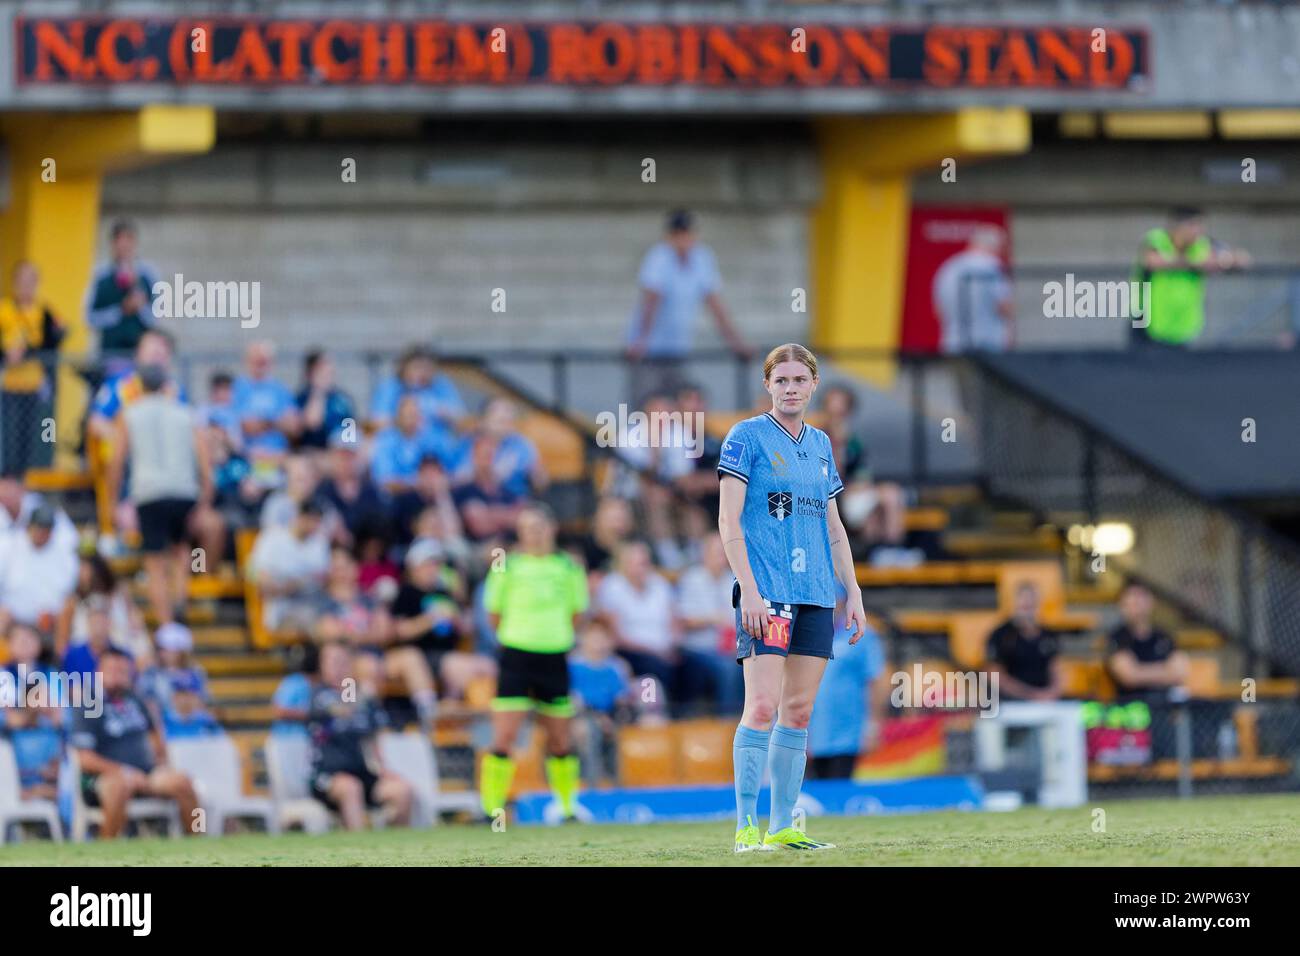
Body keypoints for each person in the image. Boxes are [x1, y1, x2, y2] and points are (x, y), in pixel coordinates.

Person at [717, 342, 867, 852]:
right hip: (769, 593)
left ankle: (782, 824)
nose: (790, 388)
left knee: (798, 712)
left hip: (815, 595)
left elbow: (835, 529)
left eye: (799, 380)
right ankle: (744, 826)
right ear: (768, 386)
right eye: (781, 380)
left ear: (813, 385)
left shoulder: (821, 444)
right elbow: (728, 520)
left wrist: (854, 592)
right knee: (760, 706)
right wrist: (750, 593)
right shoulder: (746, 438)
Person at [479, 504, 588, 822]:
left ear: (552, 529)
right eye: (529, 528)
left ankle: (567, 808)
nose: (535, 533)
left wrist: (554, 635)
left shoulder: (569, 567)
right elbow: (493, 613)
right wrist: (519, 636)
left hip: (554, 657)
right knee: (504, 737)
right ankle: (491, 809)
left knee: (560, 739)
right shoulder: (506, 567)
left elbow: (577, 612)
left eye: (540, 527)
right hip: (516, 656)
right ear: (521, 533)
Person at [108, 363, 218, 626]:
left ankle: (166, 624)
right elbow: (205, 463)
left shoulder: (130, 414)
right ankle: (180, 602)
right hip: (183, 491)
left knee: (155, 563)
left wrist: (111, 502)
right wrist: (204, 500)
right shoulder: (185, 413)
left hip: (150, 493)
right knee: (181, 553)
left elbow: (116, 462)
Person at [69, 647, 201, 839]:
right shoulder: (89, 704)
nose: (118, 676)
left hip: (146, 773)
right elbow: (85, 759)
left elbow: (156, 735)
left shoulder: (135, 699)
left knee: (185, 783)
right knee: (119, 787)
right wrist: (124, 772)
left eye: (123, 671)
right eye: (112, 671)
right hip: (103, 778)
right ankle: (106, 849)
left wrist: (161, 762)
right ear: (99, 673)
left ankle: (199, 835)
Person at [625, 209, 750, 398]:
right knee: (646, 406)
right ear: (670, 236)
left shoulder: (702, 258)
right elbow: (651, 301)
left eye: (687, 233)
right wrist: (641, 342)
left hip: (678, 350)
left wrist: (736, 343)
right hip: (650, 352)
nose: (683, 239)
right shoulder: (659, 257)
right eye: (679, 234)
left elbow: (715, 305)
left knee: (680, 406)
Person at [596, 539, 712, 714]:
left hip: (666, 649)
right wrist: (654, 651)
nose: (643, 567)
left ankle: (686, 717)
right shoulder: (613, 586)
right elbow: (615, 635)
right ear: (624, 564)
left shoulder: (660, 584)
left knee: (695, 666)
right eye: (638, 563)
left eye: (646, 562)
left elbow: (675, 620)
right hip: (632, 650)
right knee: (657, 668)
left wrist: (673, 645)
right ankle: (661, 716)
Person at [306, 641, 413, 830]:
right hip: (328, 777)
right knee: (351, 788)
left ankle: (398, 850)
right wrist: (364, 695)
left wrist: (383, 768)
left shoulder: (352, 691)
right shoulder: (319, 693)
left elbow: (373, 734)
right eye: (331, 661)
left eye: (341, 661)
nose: (337, 666)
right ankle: (358, 850)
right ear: (321, 665)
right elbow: (342, 710)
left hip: (363, 774)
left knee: (401, 790)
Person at [819, 385, 914, 567]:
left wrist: (861, 484)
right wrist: (837, 445)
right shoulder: (820, 437)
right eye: (834, 411)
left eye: (842, 411)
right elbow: (830, 477)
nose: (839, 416)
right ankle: (884, 551)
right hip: (833, 502)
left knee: (886, 500)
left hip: (854, 496)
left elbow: (862, 474)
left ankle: (886, 551)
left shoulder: (853, 440)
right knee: (888, 496)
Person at [390, 537, 495, 701]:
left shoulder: (444, 593)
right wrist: (432, 618)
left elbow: (466, 628)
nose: (433, 569)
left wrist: (458, 619)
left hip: (449, 653)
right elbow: (401, 631)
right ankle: (443, 711)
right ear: (414, 567)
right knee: (458, 666)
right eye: (428, 564)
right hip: (422, 654)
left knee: (488, 666)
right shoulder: (406, 593)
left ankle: (463, 713)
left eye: (437, 564)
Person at [1132, 207, 1251, 348]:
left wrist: (1223, 261)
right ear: (1178, 227)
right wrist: (1197, 263)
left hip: (1183, 327)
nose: (1198, 232)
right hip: (1147, 324)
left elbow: (1242, 260)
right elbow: (1153, 261)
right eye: (1193, 226)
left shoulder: (1202, 245)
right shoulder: (1157, 239)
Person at [807, 586, 888, 779]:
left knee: (842, 787)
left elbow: (876, 681)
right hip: (814, 731)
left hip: (847, 731)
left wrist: (873, 725)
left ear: (843, 602)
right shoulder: (809, 635)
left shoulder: (862, 635)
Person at [0, 260, 64, 475]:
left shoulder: (44, 312)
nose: (25, 286)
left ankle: (29, 482)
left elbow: (53, 340)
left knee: (34, 440)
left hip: (34, 385)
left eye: (30, 281)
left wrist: (26, 351)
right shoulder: (4, 310)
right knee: (9, 439)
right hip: (9, 385)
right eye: (21, 281)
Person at [676, 534, 744, 713]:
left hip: (730, 647)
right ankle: (727, 721)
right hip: (698, 648)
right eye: (717, 553)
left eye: (724, 553)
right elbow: (684, 620)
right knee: (728, 668)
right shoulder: (692, 578)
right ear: (705, 554)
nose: (722, 558)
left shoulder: (733, 579)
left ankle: (748, 720)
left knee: (751, 662)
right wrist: (712, 619)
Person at [248, 499, 331, 632]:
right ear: (299, 516)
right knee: (320, 623)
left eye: (317, 521)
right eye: (310, 520)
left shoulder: (320, 542)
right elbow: (255, 575)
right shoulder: (272, 537)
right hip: (282, 608)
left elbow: (323, 580)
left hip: (316, 602)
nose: (313, 525)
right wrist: (289, 586)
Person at [567, 618, 633, 785]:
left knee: (627, 732)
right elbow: (572, 700)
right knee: (587, 731)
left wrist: (615, 716)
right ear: (583, 639)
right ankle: (590, 783)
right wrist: (597, 717)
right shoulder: (572, 666)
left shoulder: (618, 667)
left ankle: (619, 784)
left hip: (611, 717)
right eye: (594, 637)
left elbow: (622, 698)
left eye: (603, 638)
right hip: (580, 717)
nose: (599, 643)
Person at [85, 219, 159, 364]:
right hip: (111, 355)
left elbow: (155, 317)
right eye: (120, 241)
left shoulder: (147, 275)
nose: (124, 246)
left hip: (141, 356)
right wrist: (120, 311)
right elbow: (89, 318)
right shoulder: (101, 276)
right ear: (113, 244)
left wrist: (141, 306)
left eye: (128, 241)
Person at [0, 505, 79, 639]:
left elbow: (67, 593)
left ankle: (61, 658)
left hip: (49, 622)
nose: (42, 534)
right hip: (14, 620)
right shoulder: (8, 547)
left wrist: (52, 614)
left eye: (46, 530)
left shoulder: (63, 553)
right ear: (29, 527)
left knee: (68, 610)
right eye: (39, 529)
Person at [933, 225, 1012, 353]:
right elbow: (1003, 306)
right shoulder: (991, 265)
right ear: (995, 246)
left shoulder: (949, 267)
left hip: (953, 344)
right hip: (988, 345)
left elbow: (939, 311)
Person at [985, 582, 1063, 702]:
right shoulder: (1001, 635)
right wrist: (1031, 695)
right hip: (1010, 702)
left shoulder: (1049, 636)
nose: (1027, 606)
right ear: (1015, 603)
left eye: (1031, 602)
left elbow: (1057, 670)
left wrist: (1051, 693)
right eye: (1024, 603)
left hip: (1044, 701)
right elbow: (995, 676)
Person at [1106, 582, 1189, 695]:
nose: (1136, 605)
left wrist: (1141, 671)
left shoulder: (1163, 636)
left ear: (1151, 602)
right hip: (1131, 705)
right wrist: (1166, 671)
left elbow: (1180, 671)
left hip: (1163, 704)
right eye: (1131, 601)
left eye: (1140, 598)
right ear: (1122, 606)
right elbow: (1129, 676)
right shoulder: (1117, 637)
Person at [368, 345, 466, 440]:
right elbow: (376, 424)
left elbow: (462, 419)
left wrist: (444, 413)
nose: (422, 373)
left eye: (427, 368)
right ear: (404, 368)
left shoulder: (440, 385)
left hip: (436, 445)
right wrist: (403, 421)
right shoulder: (391, 387)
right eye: (417, 367)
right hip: (398, 444)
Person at [233, 341, 300, 462]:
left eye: (264, 361)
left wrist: (262, 423)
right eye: (257, 361)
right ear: (248, 361)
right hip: (248, 456)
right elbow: (246, 426)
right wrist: (276, 422)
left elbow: (293, 427)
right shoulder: (238, 388)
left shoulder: (281, 390)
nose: (261, 365)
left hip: (278, 455)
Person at [296, 350, 356, 451]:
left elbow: (350, 433)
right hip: (312, 452)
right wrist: (318, 393)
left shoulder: (342, 399)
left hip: (340, 451)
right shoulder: (302, 399)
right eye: (321, 370)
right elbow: (312, 423)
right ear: (310, 373)